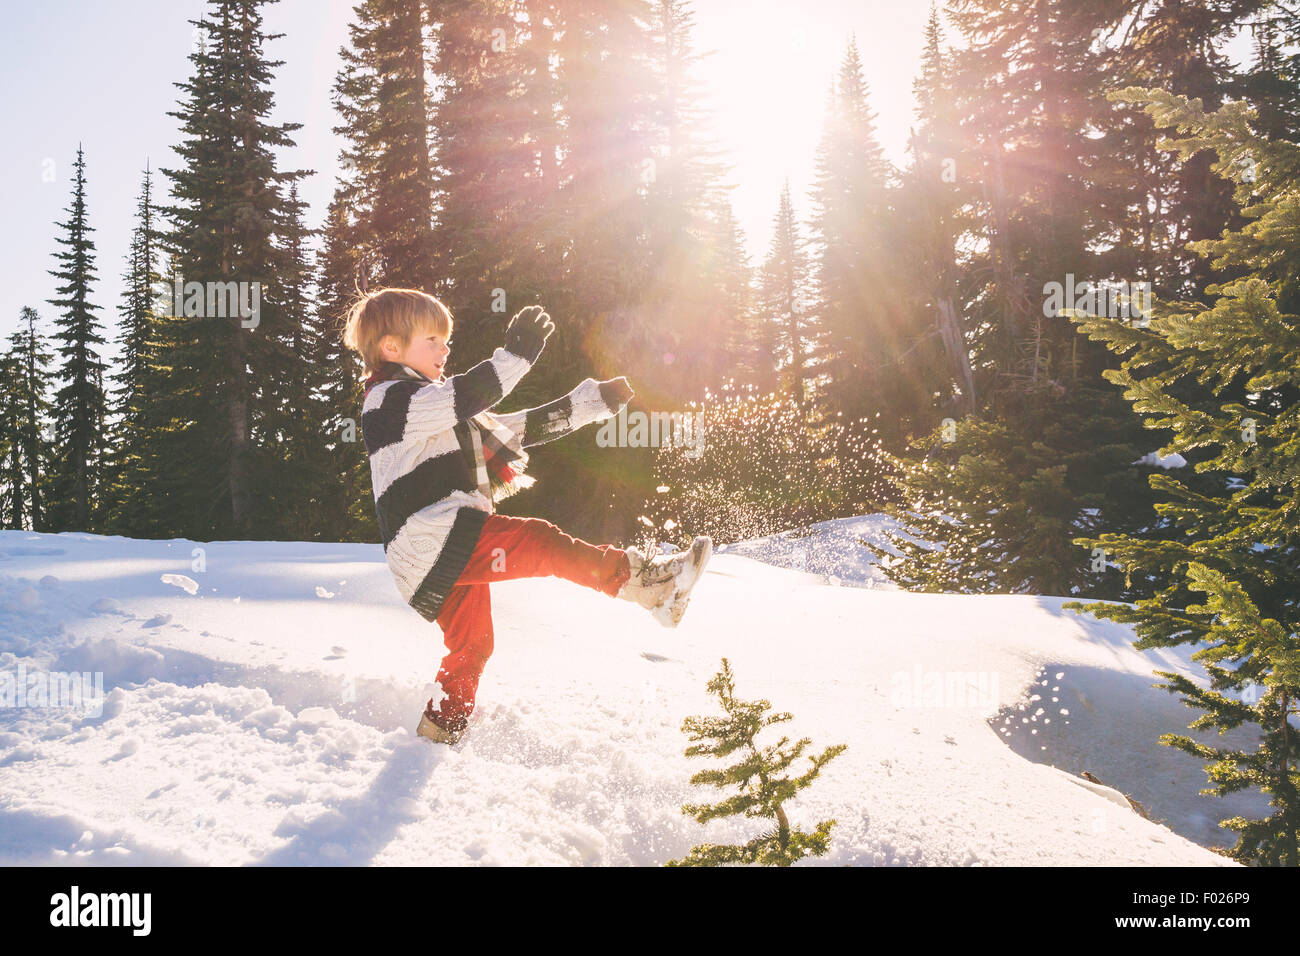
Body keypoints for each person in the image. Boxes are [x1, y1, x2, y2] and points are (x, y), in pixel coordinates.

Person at [342, 288, 712, 745]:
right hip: (437, 538)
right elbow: (466, 395)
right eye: (432, 340)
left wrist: (592, 402)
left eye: (446, 340)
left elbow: (517, 430)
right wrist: (515, 356)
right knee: (539, 541)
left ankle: (435, 736)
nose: (445, 349)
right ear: (391, 349)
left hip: (434, 553)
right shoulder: (391, 400)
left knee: (473, 647)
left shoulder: (434, 410)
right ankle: (648, 584)